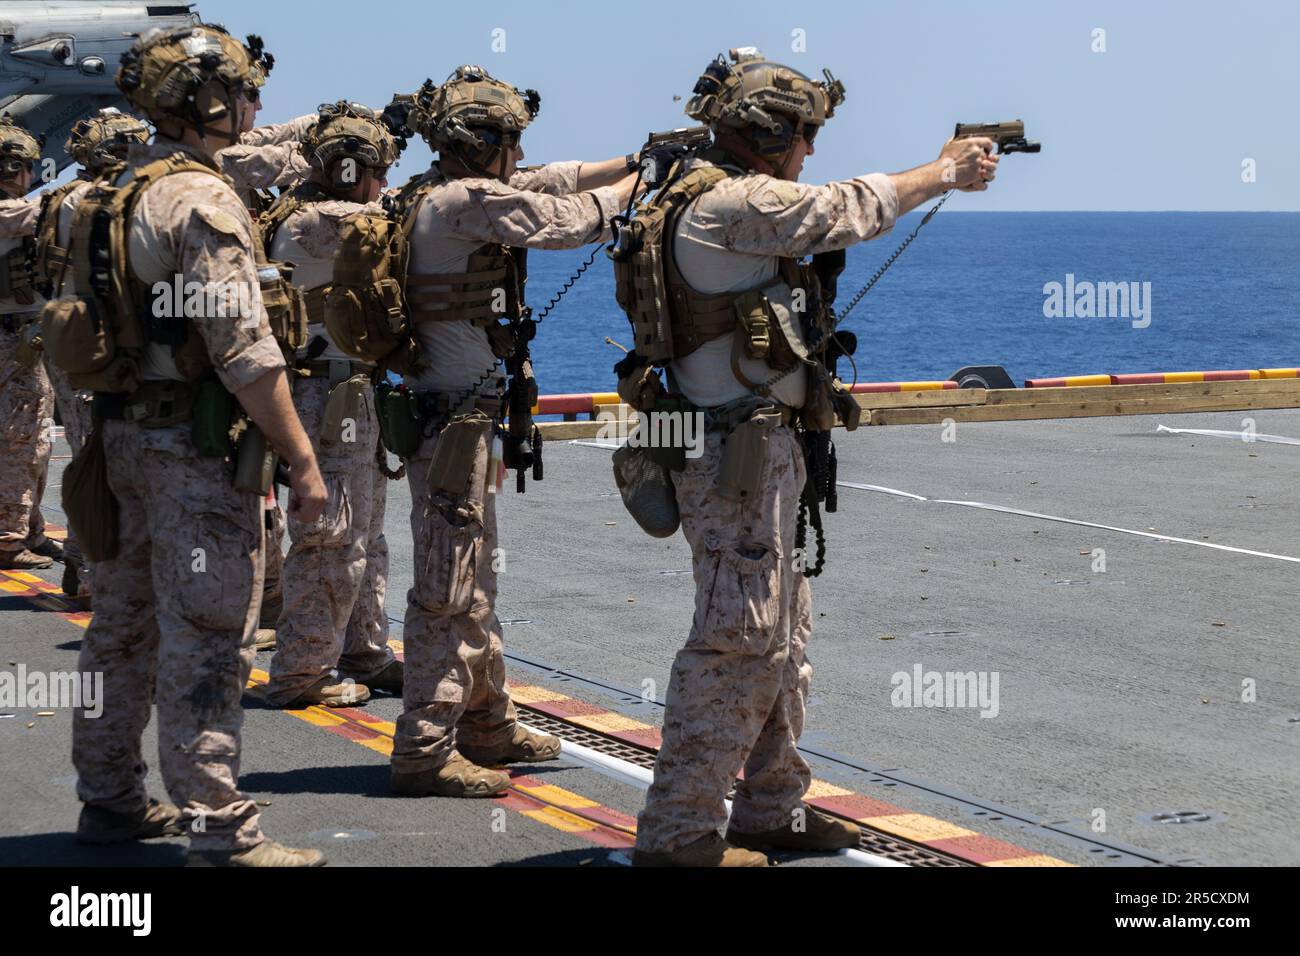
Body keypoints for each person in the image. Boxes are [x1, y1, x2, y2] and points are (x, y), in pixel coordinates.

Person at [622, 49, 999, 866]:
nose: (810, 150)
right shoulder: (731, 202)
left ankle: (772, 809)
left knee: (780, 638)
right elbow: (843, 207)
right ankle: (679, 833)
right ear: (766, 133)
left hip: (750, 450)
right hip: (735, 458)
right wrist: (944, 171)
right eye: (802, 133)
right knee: (736, 640)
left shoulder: (698, 192)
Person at [66, 23, 329, 866]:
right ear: (208, 102)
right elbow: (245, 350)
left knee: (120, 628)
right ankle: (220, 830)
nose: (255, 104)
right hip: (192, 452)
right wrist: (303, 459)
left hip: (116, 441)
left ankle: (109, 800)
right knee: (208, 638)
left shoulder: (104, 195)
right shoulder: (200, 201)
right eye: (244, 92)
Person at [387, 66, 641, 797]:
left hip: (456, 417)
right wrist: (641, 185)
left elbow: (551, 180)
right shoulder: (464, 203)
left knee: (475, 577)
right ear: (481, 145)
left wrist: (636, 158)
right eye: (510, 142)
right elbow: (568, 220)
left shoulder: (430, 192)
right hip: (452, 424)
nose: (520, 156)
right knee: (447, 586)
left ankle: (487, 721)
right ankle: (424, 748)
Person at [261, 102, 404, 708]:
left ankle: (362, 650)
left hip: (353, 389)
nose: (386, 183)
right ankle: (301, 671)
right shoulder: (315, 220)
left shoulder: (312, 209)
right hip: (324, 393)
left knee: (365, 532)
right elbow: (395, 223)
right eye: (379, 171)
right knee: (329, 537)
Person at [30, 108, 151, 605]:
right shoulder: (102, 198)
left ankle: (83, 565)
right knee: (105, 462)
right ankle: (92, 573)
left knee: (92, 455)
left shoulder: (64, 196)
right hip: (101, 346)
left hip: (73, 339)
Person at [0, 116, 58, 573]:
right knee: (20, 441)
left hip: (22, 340)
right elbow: (49, 214)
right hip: (11, 342)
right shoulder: (9, 213)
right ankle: (8, 539)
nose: (32, 176)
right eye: (26, 167)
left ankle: (29, 529)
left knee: (34, 440)